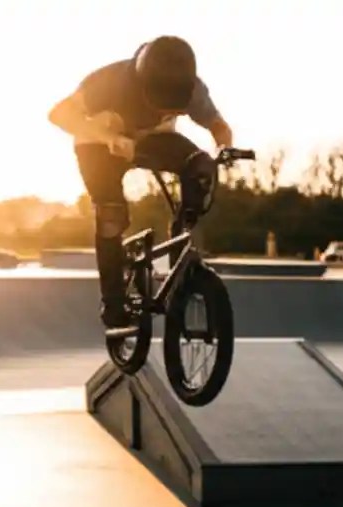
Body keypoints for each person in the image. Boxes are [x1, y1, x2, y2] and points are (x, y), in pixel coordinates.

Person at [48, 36, 234, 328]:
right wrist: (109, 138)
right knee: (111, 215)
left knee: (199, 167)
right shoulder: (109, 81)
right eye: (159, 105)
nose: (163, 112)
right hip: (97, 146)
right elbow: (58, 114)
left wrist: (223, 148)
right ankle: (113, 303)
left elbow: (218, 125)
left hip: (152, 141)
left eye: (171, 108)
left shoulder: (192, 88)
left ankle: (180, 260)